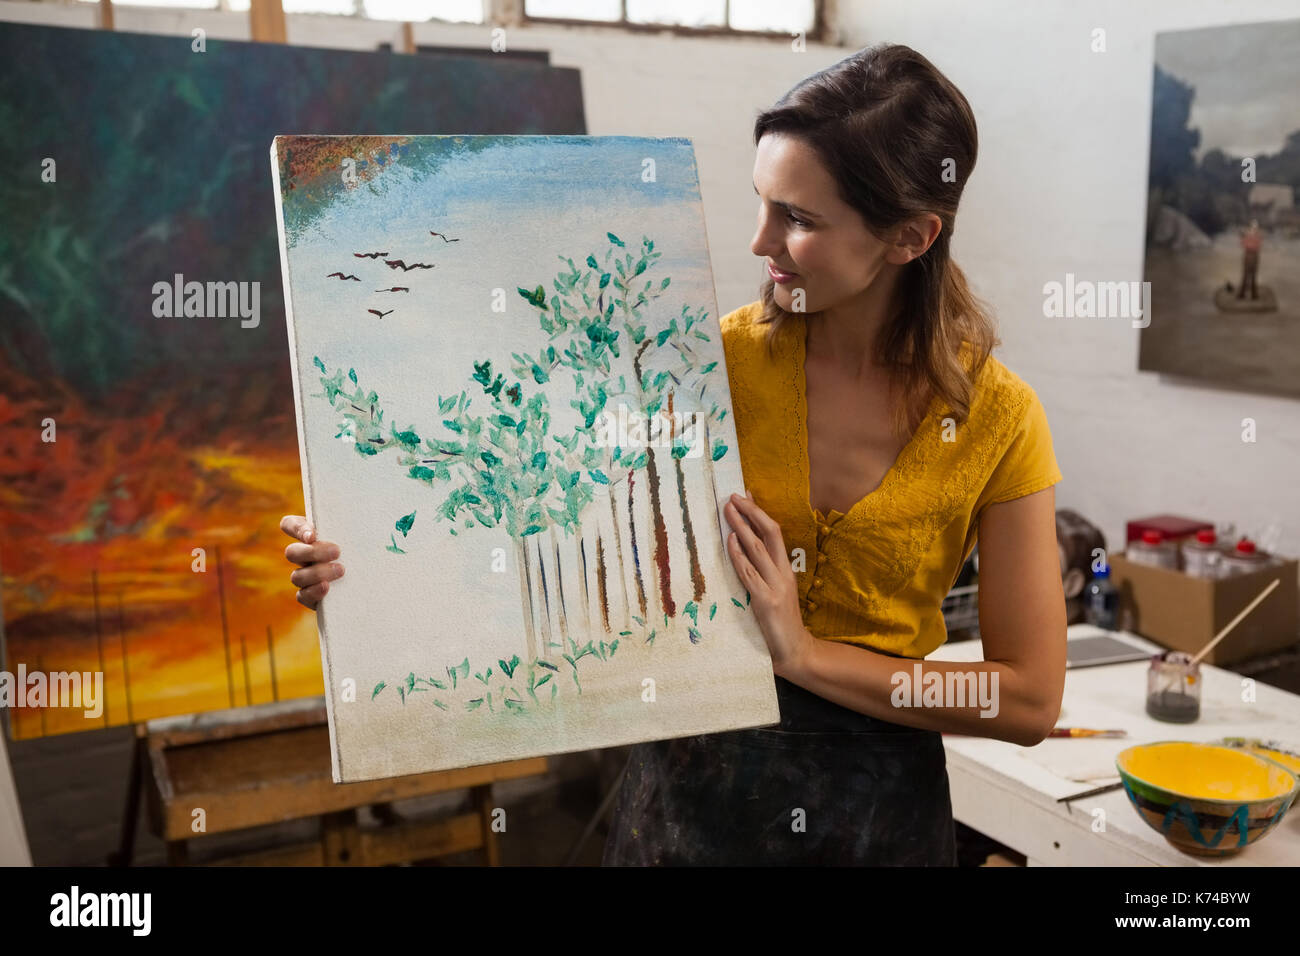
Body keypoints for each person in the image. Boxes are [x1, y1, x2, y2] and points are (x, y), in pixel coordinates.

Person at [281, 43, 1067, 866]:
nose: (759, 240)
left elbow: (1025, 701)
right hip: (688, 809)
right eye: (762, 202)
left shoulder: (999, 419)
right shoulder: (691, 365)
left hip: (879, 822)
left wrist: (804, 655)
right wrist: (366, 576)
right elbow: (534, 536)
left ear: (909, 236)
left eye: (798, 219)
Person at [1237, 219, 1261, 300]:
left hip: (1255, 256)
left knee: (1254, 276)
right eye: (1253, 226)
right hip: (1248, 256)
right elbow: (1243, 245)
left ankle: (1254, 295)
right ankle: (1242, 294)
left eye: (1256, 227)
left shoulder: (1257, 236)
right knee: (1245, 275)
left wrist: (1249, 241)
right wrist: (1244, 237)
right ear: (1250, 227)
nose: (1254, 228)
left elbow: (1258, 246)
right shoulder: (1247, 235)